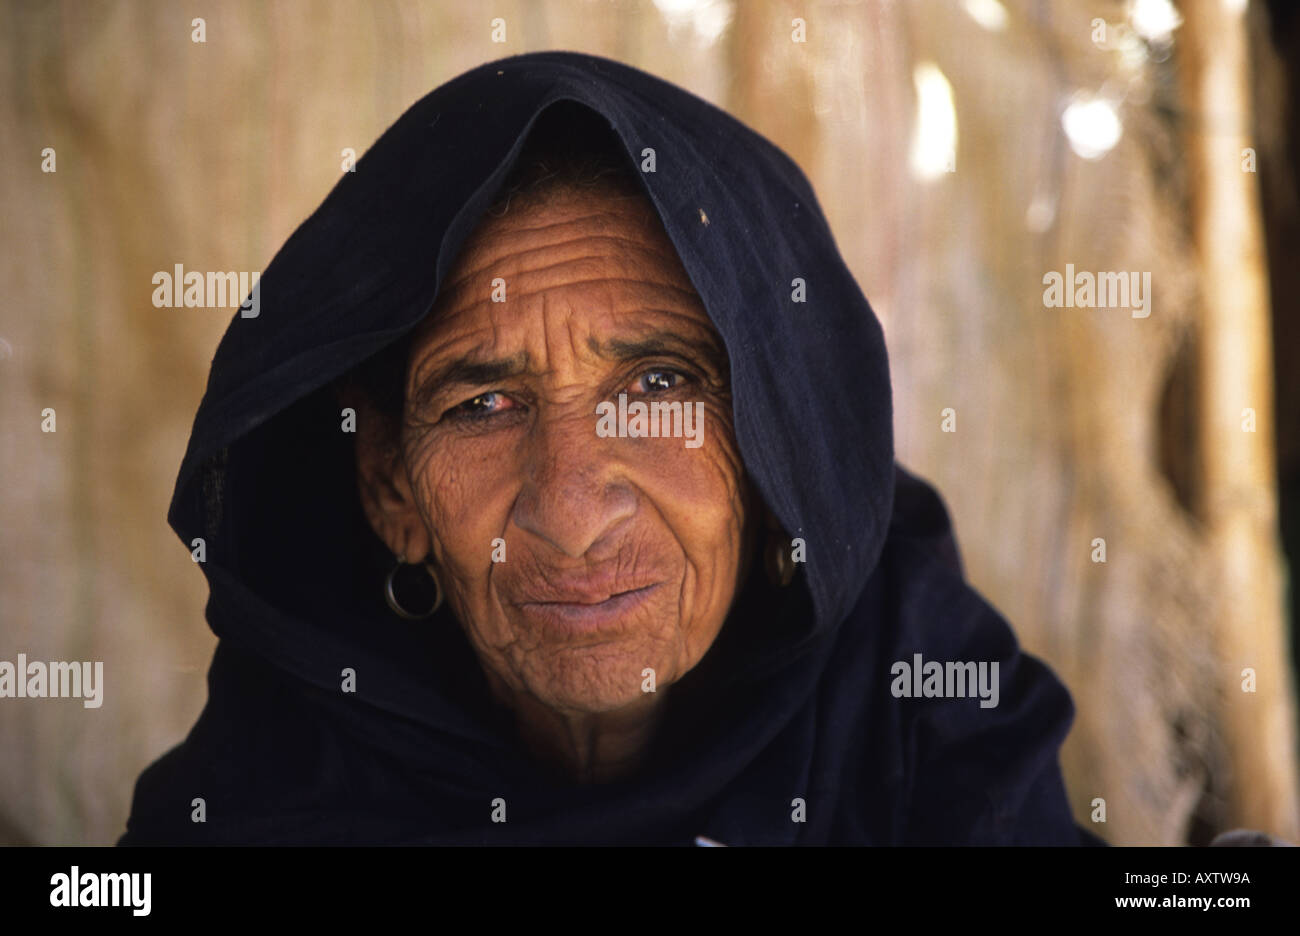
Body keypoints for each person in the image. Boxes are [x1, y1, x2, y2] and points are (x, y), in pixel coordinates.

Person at [119, 51, 1097, 845]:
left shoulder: (912, 692)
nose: (574, 512)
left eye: (660, 388)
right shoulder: (269, 792)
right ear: (390, 492)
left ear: (775, 455)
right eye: (485, 404)